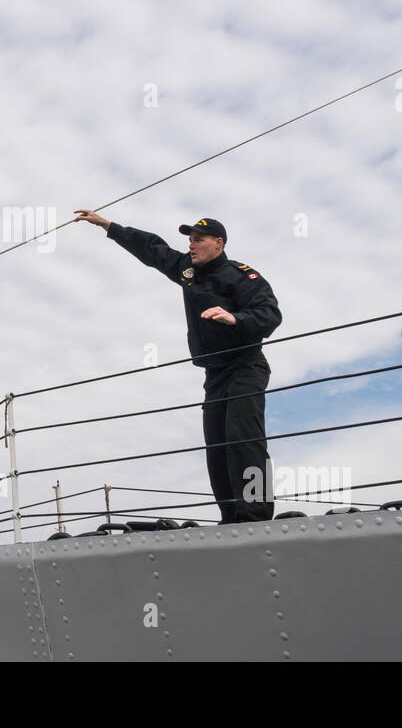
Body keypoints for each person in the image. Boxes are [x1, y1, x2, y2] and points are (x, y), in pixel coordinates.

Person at [74, 210, 282, 522]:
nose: (191, 245)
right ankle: (230, 516)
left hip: (245, 365)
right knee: (217, 445)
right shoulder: (187, 269)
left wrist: (235, 318)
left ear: (219, 243)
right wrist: (109, 226)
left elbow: (270, 314)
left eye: (199, 240)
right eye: (189, 240)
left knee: (244, 440)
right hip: (215, 374)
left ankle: (257, 514)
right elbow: (153, 250)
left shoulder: (242, 277)